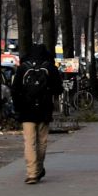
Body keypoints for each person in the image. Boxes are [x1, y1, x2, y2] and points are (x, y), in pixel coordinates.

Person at [10, 43, 58, 184]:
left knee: (29, 142)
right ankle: (39, 167)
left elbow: (15, 90)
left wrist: (18, 107)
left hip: (26, 109)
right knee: (42, 141)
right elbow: (58, 89)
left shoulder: (23, 68)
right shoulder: (50, 67)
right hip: (44, 108)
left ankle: (32, 173)